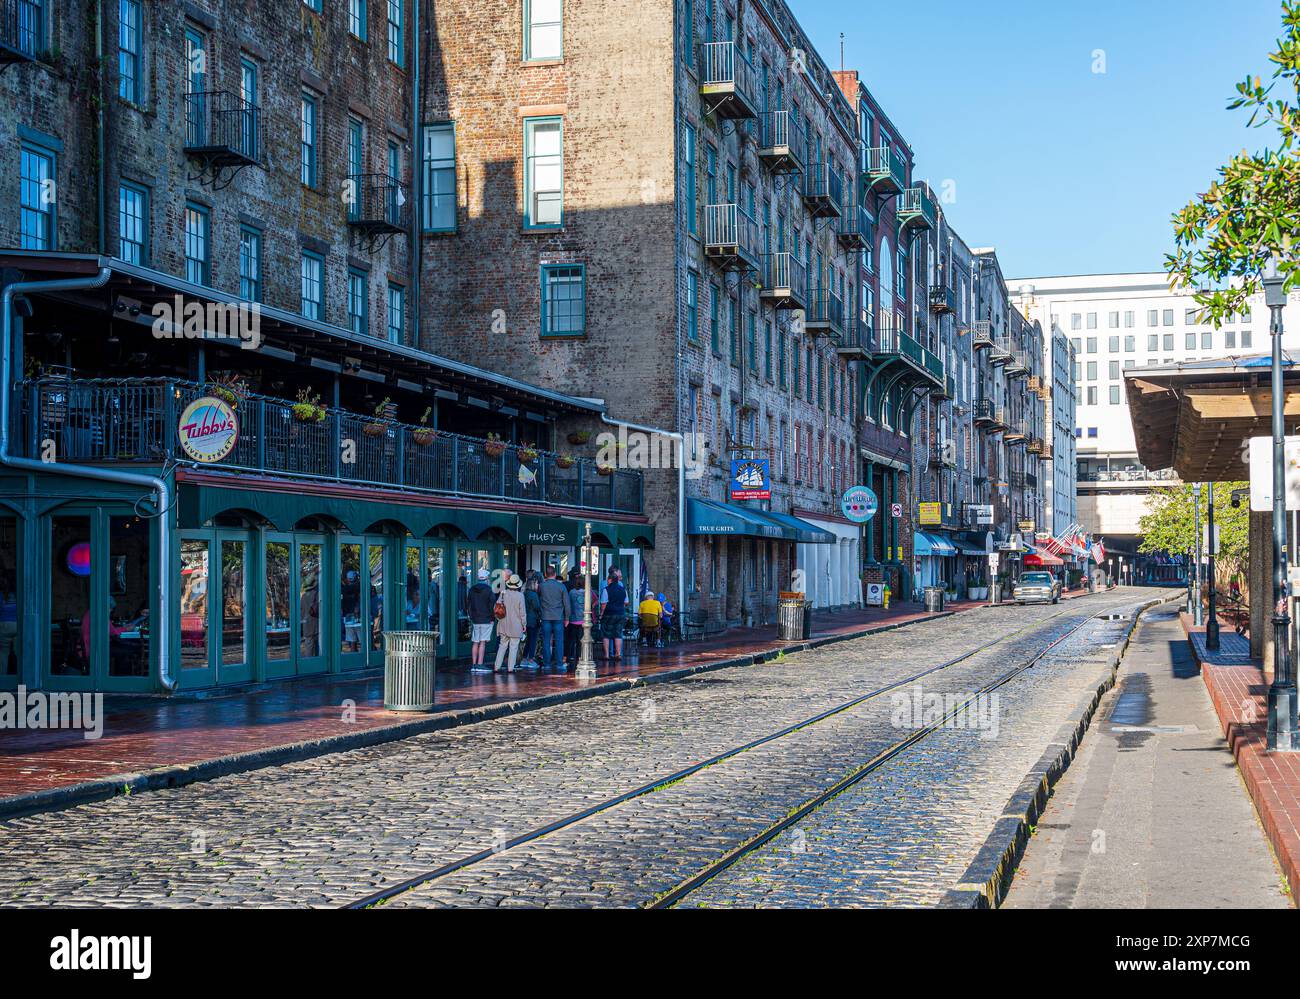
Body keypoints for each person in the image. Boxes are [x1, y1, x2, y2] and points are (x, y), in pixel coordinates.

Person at [494, 574, 527, 673]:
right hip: (516, 625)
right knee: (513, 647)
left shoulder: (503, 593)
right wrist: (524, 624)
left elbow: (497, 607)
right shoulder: (520, 596)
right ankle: (510, 668)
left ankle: (496, 666)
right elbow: (522, 612)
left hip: (503, 623)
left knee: (502, 646)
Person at [538, 565, 568, 672]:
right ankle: (559, 663)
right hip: (558, 616)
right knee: (559, 641)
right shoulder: (561, 587)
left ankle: (547, 664)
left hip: (545, 616)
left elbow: (539, 600)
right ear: (555, 574)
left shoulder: (541, 586)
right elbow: (566, 604)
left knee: (546, 641)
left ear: (545, 575)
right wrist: (567, 617)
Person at [466, 567, 496, 672]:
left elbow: (468, 605)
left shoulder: (471, 590)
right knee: (482, 642)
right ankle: (480, 664)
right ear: (486, 578)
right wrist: (492, 618)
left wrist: (471, 616)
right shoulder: (488, 590)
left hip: (475, 619)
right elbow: (492, 605)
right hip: (486, 619)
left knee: (475, 642)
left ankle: (474, 664)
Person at [600, 568, 627, 660]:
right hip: (620, 613)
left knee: (606, 634)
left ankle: (607, 655)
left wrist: (601, 614)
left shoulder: (606, 590)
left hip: (609, 613)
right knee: (618, 634)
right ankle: (618, 653)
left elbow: (604, 604)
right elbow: (626, 602)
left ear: (610, 580)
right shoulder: (623, 589)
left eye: (608, 580)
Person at [521, 570, 542, 670]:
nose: (538, 584)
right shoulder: (533, 594)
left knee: (528, 640)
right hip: (533, 620)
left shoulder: (524, 593)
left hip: (526, 620)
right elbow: (537, 607)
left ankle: (524, 658)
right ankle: (531, 660)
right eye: (537, 583)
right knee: (533, 640)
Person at [565, 574, 586, 668]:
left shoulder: (571, 592)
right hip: (583, 620)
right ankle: (579, 657)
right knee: (580, 641)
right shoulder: (586, 592)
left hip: (573, 619)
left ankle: (569, 657)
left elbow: (568, 604)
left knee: (571, 640)